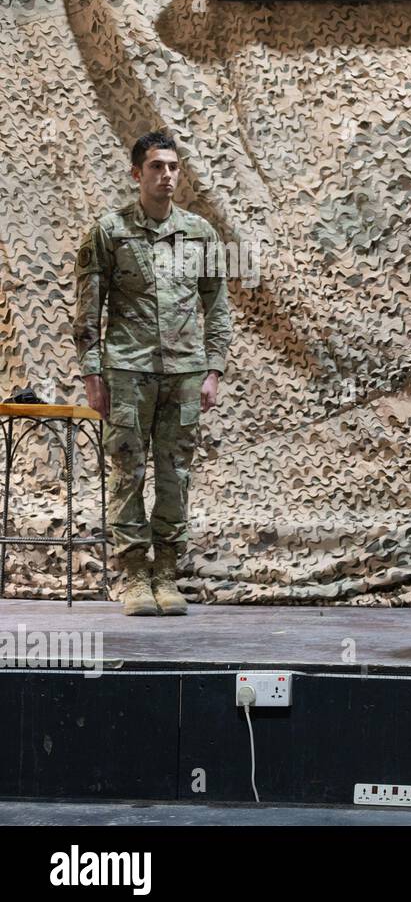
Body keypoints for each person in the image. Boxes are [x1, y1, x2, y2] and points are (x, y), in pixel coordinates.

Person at [73, 130, 231, 616]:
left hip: (184, 372)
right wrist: (92, 373)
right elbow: (87, 310)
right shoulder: (109, 232)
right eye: (157, 167)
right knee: (127, 472)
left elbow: (217, 306)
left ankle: (167, 573)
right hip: (127, 371)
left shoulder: (200, 233)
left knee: (175, 474)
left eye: (173, 167)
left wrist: (214, 369)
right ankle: (135, 577)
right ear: (136, 173)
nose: (167, 175)